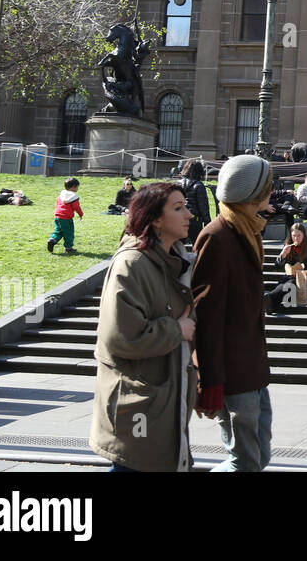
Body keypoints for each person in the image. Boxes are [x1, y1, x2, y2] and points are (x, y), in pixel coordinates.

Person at [89, 182, 198, 472]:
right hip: (138, 408)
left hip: (163, 406)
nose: (189, 214)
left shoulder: (173, 263)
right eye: (179, 208)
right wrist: (178, 329)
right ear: (156, 219)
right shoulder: (132, 264)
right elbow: (122, 337)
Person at [192, 154, 275, 471]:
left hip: (252, 368)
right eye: (268, 186)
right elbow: (206, 315)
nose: (272, 192)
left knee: (258, 458)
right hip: (231, 371)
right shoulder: (218, 236)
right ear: (254, 193)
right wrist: (209, 380)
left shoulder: (248, 229)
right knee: (245, 461)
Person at [269, 221, 307, 311]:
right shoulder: (288, 246)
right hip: (289, 278)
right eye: (293, 236)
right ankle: (270, 304)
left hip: (306, 281)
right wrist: (283, 255)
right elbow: (276, 267)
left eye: (299, 235)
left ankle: (270, 300)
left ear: (304, 235)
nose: (296, 239)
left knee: (291, 285)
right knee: (284, 286)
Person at [178, 159, 212, 244]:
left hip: (179, 218)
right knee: (197, 245)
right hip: (194, 220)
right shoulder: (199, 186)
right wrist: (208, 222)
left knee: (177, 246)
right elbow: (203, 206)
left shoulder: (177, 184)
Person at [46, 177, 84, 254]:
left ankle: (52, 240)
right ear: (73, 187)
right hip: (66, 218)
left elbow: (58, 203)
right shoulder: (73, 196)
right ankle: (68, 247)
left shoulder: (61, 195)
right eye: (77, 187)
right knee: (69, 233)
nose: (77, 189)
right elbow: (76, 207)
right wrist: (81, 214)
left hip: (58, 216)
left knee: (58, 231)